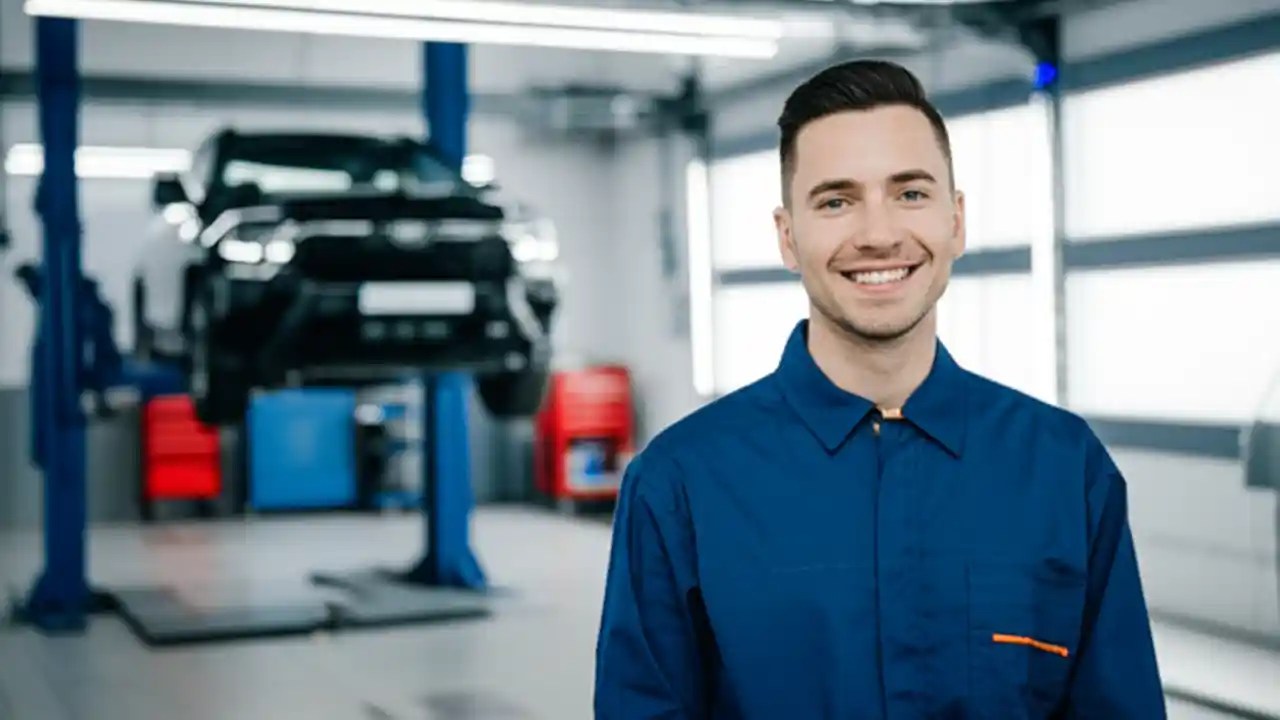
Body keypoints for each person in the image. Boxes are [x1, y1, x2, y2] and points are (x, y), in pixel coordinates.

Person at [594, 59, 1165, 719]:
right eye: (836, 201)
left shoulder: (1064, 468)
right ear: (788, 237)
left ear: (956, 221)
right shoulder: (680, 484)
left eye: (910, 193)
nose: (878, 235)